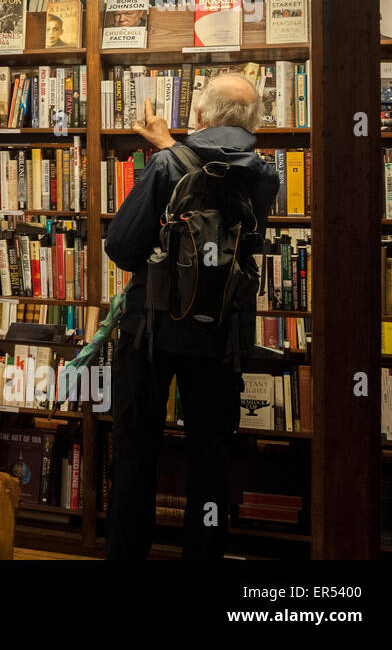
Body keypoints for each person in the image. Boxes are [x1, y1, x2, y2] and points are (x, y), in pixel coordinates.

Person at [104, 72, 279, 559]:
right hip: (222, 339)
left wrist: (169, 149)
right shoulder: (266, 176)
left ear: (198, 115)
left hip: (152, 331)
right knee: (210, 460)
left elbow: (120, 247)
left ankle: (126, 555)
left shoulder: (165, 166)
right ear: (255, 123)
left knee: (136, 452)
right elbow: (218, 168)